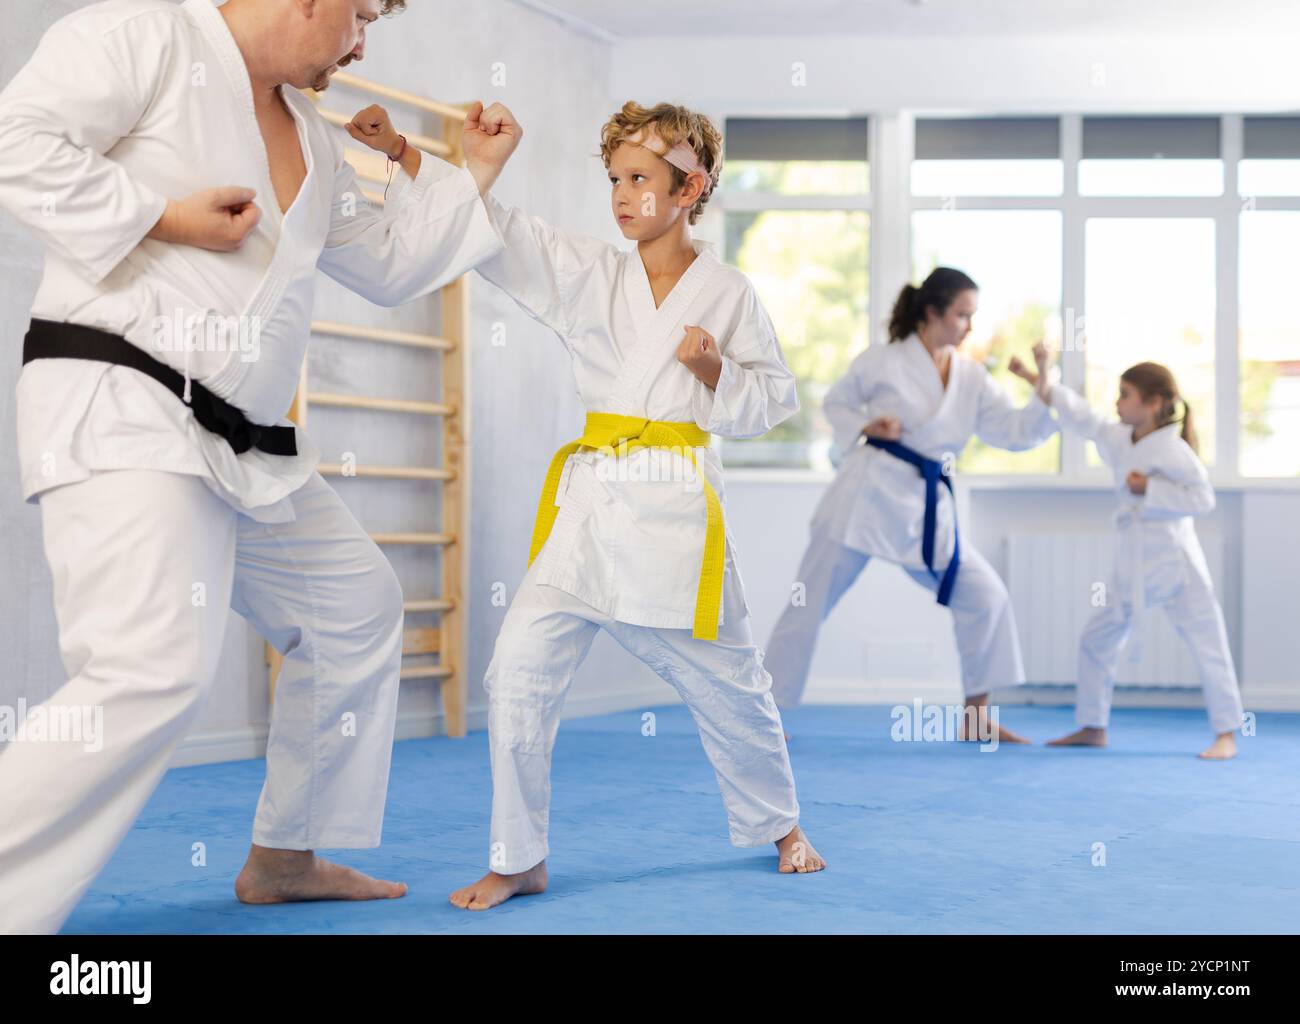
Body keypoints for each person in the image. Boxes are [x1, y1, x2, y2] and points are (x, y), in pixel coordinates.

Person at [0, 0, 514, 934]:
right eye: (358, 16)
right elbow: (15, 141)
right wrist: (162, 216)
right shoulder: (142, 35)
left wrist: (471, 173)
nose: (362, 43)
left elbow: (392, 265)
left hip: (240, 442)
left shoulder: (312, 138)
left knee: (354, 606)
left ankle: (286, 855)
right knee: (148, 665)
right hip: (127, 404)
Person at [349, 98, 826, 910]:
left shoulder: (730, 293)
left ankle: (781, 825)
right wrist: (401, 150)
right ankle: (519, 856)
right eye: (614, 178)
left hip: (673, 513)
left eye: (641, 178)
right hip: (590, 507)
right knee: (517, 675)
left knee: (732, 684)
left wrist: (715, 373)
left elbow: (774, 401)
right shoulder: (589, 273)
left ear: (691, 187)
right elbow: (495, 230)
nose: (623, 194)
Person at [765, 269, 1057, 744]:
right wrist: (867, 425)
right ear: (932, 312)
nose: (969, 327)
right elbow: (836, 406)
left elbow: (1016, 432)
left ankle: (976, 718)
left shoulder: (971, 378)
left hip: (925, 509)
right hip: (864, 498)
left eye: (972, 316)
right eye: (962, 315)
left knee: (985, 596)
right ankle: (766, 719)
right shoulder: (882, 361)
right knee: (808, 604)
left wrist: (1044, 386)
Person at [1009, 349, 1244, 759]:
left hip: (1176, 563)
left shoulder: (1174, 451)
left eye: (1125, 394)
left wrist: (1148, 489)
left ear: (1153, 404)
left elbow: (1203, 499)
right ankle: (1093, 725)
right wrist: (1037, 376)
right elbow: (1080, 415)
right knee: (1097, 639)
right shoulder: (1120, 438)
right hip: (1134, 560)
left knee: (1209, 643)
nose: (1117, 402)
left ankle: (1226, 734)